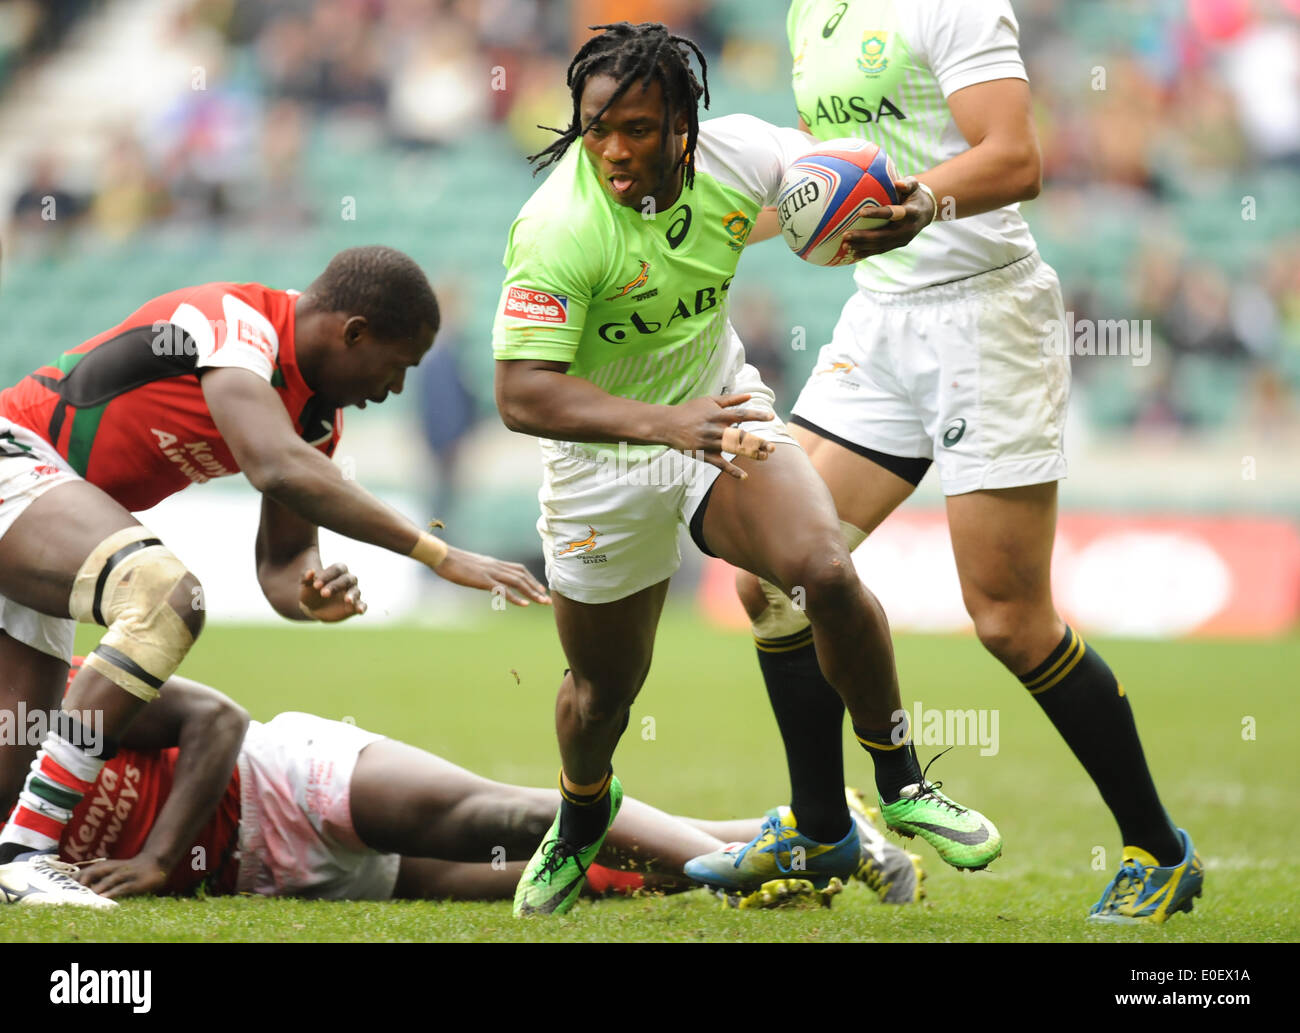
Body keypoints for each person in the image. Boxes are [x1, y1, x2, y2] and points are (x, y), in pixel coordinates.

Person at [492, 21, 995, 918]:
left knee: (822, 571)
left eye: (636, 128)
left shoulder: (743, 153)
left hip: (718, 412)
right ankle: (578, 817)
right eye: (595, 125)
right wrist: (662, 425)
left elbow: (845, 180)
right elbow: (523, 394)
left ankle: (902, 777)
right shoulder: (557, 226)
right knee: (603, 692)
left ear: (684, 123)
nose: (611, 148)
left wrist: (906, 211)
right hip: (601, 459)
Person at [728, 0, 1201, 924]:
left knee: (1010, 621)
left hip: (987, 318)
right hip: (881, 315)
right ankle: (823, 827)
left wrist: (920, 205)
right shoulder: (806, 16)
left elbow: (1017, 158)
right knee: (772, 573)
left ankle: (1157, 845)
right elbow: (835, 160)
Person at [0, 245, 548, 905]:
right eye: (397, 366)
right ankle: (26, 854)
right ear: (354, 333)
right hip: (17, 457)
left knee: (17, 758)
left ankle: (16, 852)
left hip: (44, 528)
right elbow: (274, 465)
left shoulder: (315, 421)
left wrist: (309, 595)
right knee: (166, 595)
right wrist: (436, 553)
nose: (393, 389)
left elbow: (282, 565)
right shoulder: (240, 324)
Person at [0, 658, 921, 909]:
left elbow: (217, 719)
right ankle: (807, 827)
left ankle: (794, 848)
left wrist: (161, 857)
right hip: (271, 876)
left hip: (290, 782)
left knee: (524, 820)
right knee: (596, 875)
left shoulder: (62, 695)